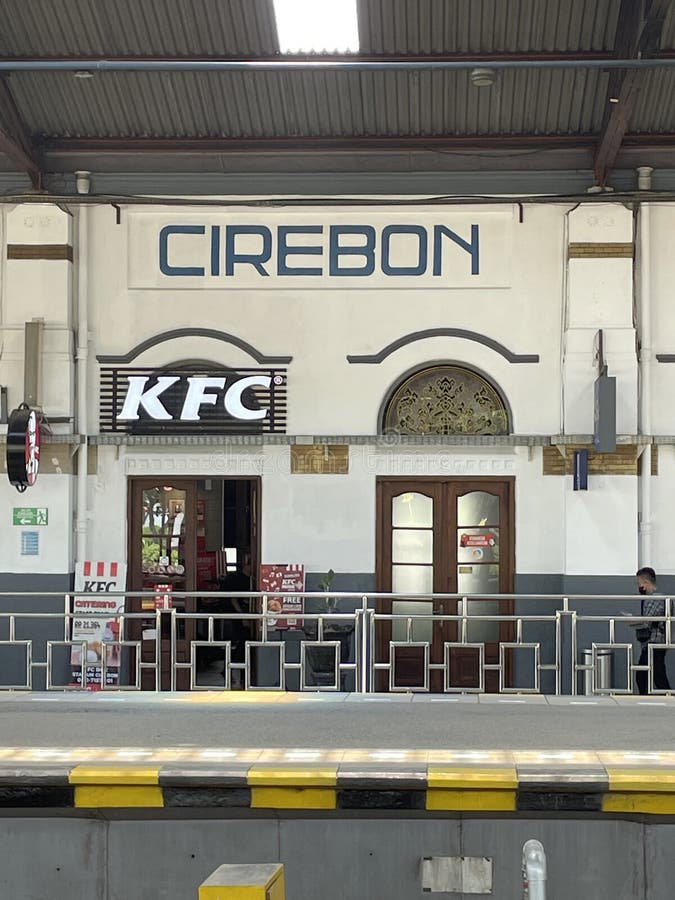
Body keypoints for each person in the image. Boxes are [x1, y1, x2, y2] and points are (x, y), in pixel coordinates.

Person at [634, 567, 670, 694]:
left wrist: (632, 621)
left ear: (646, 582)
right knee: (654, 674)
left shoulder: (655, 599)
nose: (639, 587)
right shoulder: (652, 599)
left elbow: (647, 620)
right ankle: (666, 696)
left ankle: (667, 697)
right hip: (652, 643)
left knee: (648, 675)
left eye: (639, 583)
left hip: (654, 642)